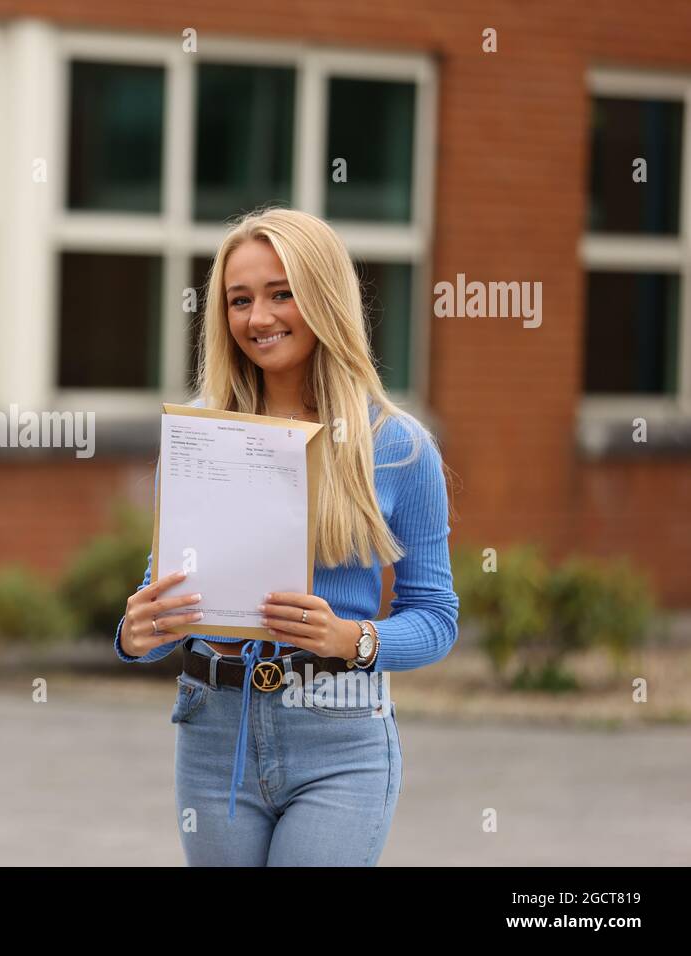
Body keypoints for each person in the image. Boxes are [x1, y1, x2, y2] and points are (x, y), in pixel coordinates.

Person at [115, 207, 459, 866]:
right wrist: (137, 633)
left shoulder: (397, 446)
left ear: (324, 297)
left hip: (341, 731)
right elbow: (162, 589)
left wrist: (354, 639)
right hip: (213, 728)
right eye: (239, 300)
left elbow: (437, 618)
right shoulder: (198, 435)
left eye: (281, 294)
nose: (258, 318)